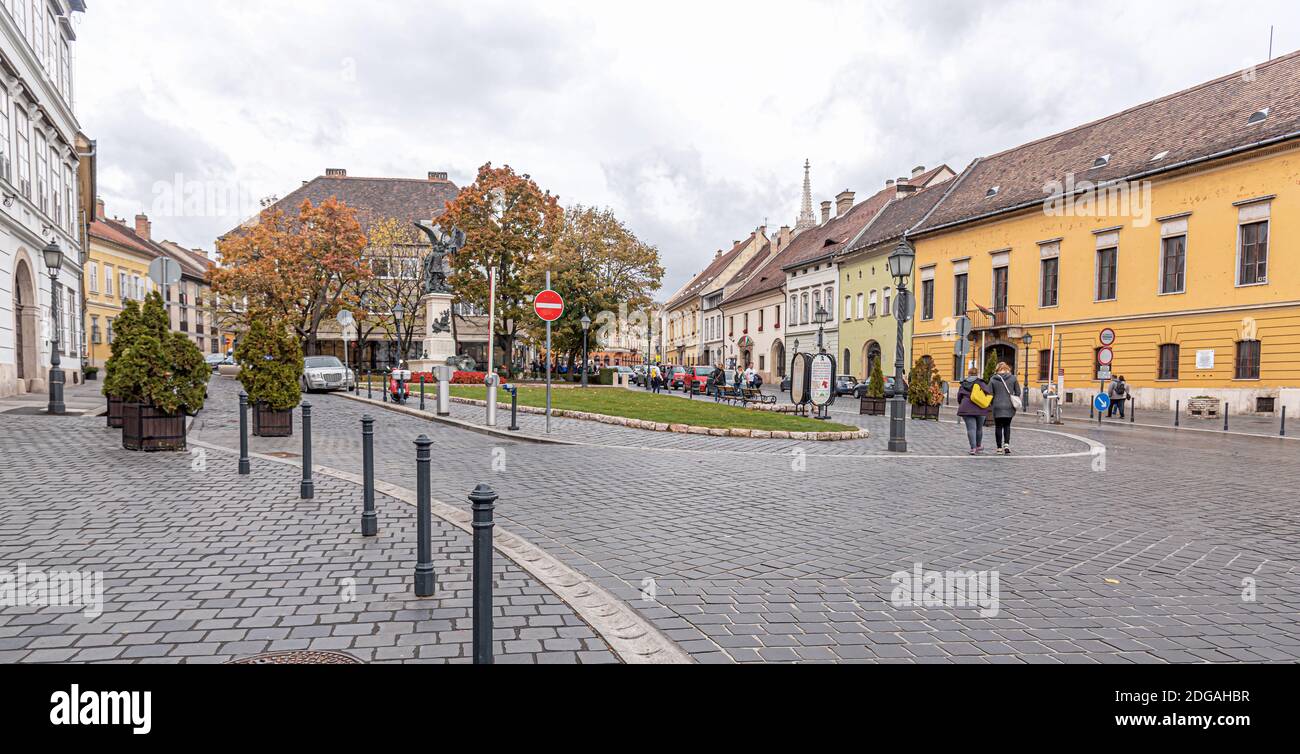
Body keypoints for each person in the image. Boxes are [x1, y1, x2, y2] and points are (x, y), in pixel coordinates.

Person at [956, 366, 991, 455]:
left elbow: (959, 397)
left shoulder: (964, 383)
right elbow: (988, 393)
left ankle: (973, 448)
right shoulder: (981, 383)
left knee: (971, 429)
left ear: (969, 374)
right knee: (979, 429)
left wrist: (962, 403)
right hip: (980, 408)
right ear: (977, 374)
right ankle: (978, 446)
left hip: (966, 408)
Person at [989, 361, 1021, 455]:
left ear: (997, 369)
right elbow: (1018, 392)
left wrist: (993, 403)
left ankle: (999, 448)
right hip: (1009, 406)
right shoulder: (1013, 378)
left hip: (997, 406)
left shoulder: (993, 379)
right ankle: (1006, 445)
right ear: (1007, 368)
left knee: (998, 427)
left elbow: (989, 393)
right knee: (1007, 426)